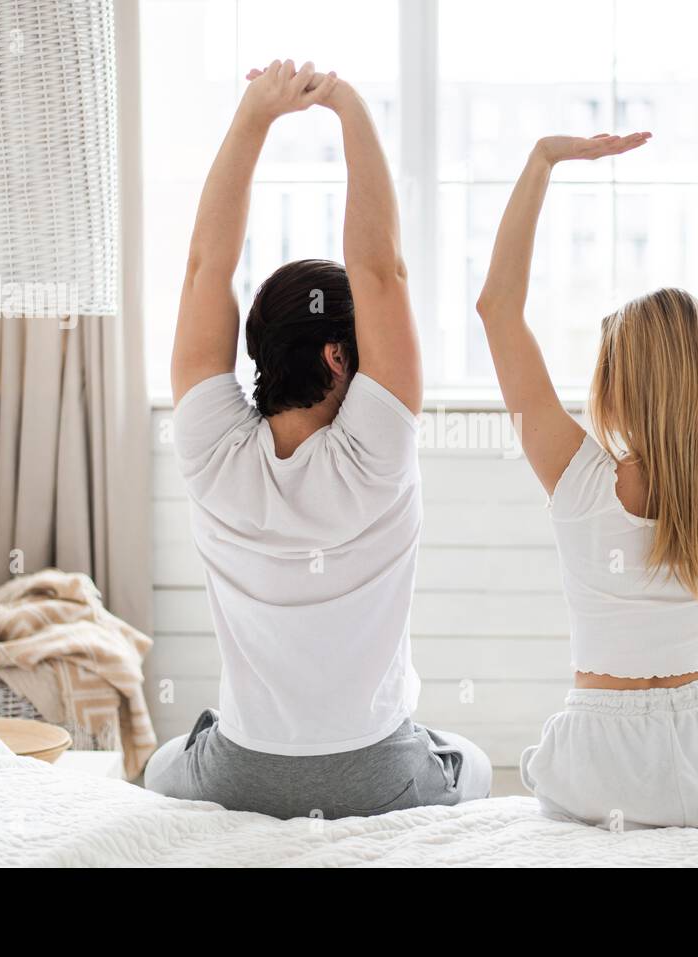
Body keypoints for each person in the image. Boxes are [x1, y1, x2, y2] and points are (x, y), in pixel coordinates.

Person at [146, 60, 490, 818]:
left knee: (163, 765)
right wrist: (348, 104)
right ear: (341, 356)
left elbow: (208, 266)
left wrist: (253, 118)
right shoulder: (377, 454)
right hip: (378, 772)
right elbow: (382, 268)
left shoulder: (210, 453)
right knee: (479, 764)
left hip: (242, 771)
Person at [474, 64, 698, 829]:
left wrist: (543, 161)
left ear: (616, 387)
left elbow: (495, 307)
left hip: (596, 765)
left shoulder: (579, 480)